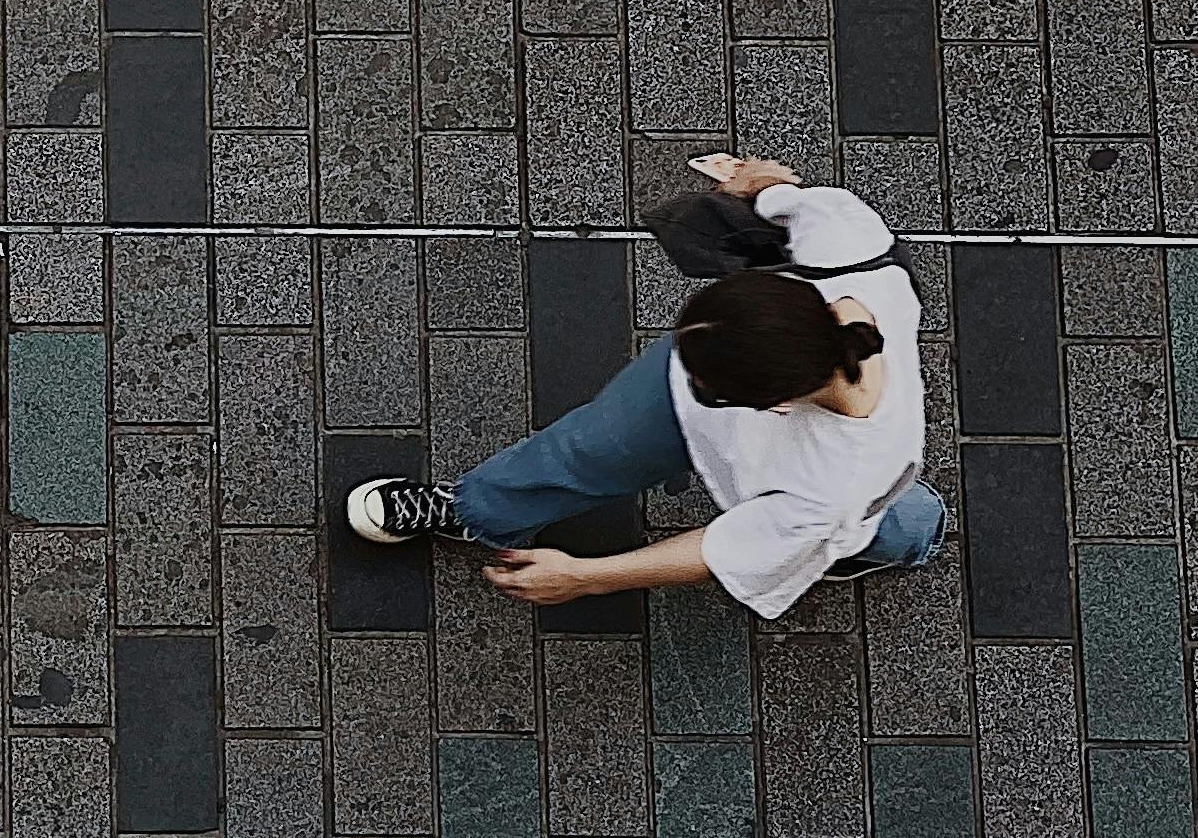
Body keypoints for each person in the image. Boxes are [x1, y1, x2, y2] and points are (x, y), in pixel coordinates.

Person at [344, 156, 941, 621]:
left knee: (862, 526)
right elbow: (784, 194)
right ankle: (477, 511)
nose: (677, 361)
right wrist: (754, 186)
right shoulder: (849, 247)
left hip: (822, 496)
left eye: (701, 382)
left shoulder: (828, 487)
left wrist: (582, 577)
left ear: (772, 407)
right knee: (583, 448)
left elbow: (716, 551)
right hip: (791, 451)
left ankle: (901, 536)